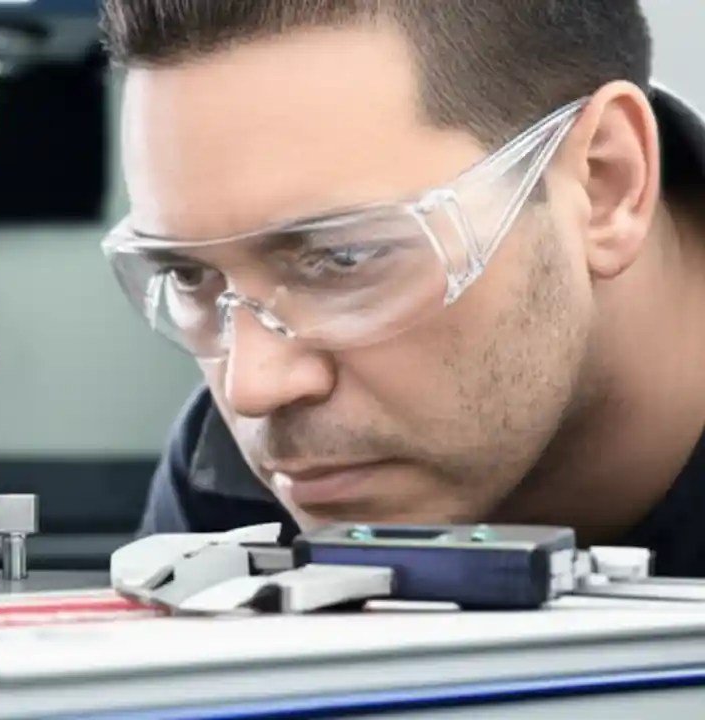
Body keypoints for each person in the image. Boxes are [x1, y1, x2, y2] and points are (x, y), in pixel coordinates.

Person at [97, 0, 705, 576]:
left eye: (343, 257)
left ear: (603, 186)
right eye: (189, 274)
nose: (252, 388)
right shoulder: (226, 498)